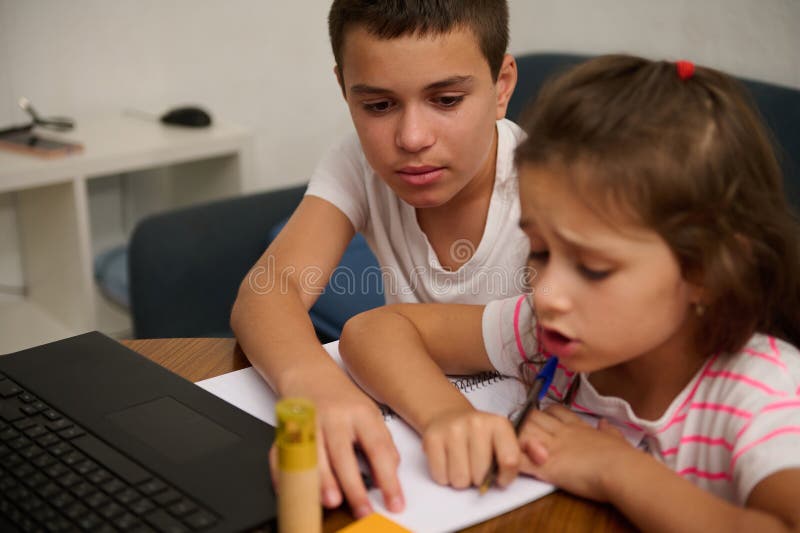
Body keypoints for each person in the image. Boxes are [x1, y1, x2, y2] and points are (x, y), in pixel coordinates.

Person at [339, 55, 800, 531]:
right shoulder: (541, 334)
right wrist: (444, 415)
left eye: (594, 269)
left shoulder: (760, 391)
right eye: (539, 252)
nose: (548, 294)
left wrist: (614, 469)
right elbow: (376, 329)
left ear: (705, 270)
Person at [230, 0, 527, 517]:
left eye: (446, 100)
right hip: (415, 448)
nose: (412, 138)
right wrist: (314, 385)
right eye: (378, 105)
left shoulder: (553, 189)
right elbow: (268, 291)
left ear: (501, 86)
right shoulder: (356, 164)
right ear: (344, 89)